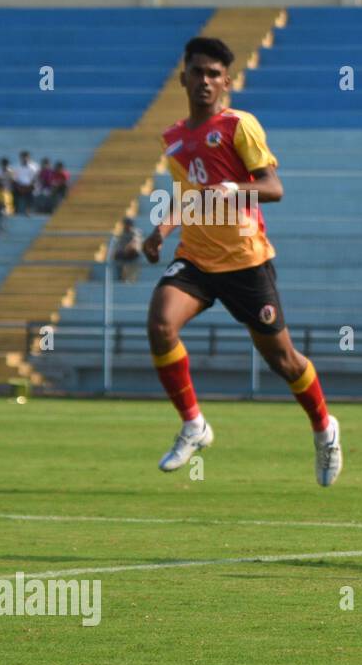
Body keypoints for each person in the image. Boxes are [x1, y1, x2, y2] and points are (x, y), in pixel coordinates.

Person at [141, 36, 341, 485]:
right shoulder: (173, 138)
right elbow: (188, 197)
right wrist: (162, 229)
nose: (206, 81)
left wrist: (234, 189)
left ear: (226, 81)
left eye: (215, 74)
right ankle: (194, 424)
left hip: (246, 261)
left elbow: (274, 188)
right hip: (195, 258)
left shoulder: (239, 126)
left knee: (283, 360)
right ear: (184, 78)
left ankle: (325, 429)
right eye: (198, 72)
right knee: (159, 324)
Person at [113, 217, 143, 283]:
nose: (125, 225)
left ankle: (130, 279)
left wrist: (126, 248)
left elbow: (134, 243)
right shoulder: (123, 233)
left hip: (134, 253)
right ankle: (121, 277)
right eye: (125, 224)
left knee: (132, 256)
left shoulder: (135, 232)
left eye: (127, 224)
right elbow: (119, 245)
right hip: (125, 253)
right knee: (117, 256)